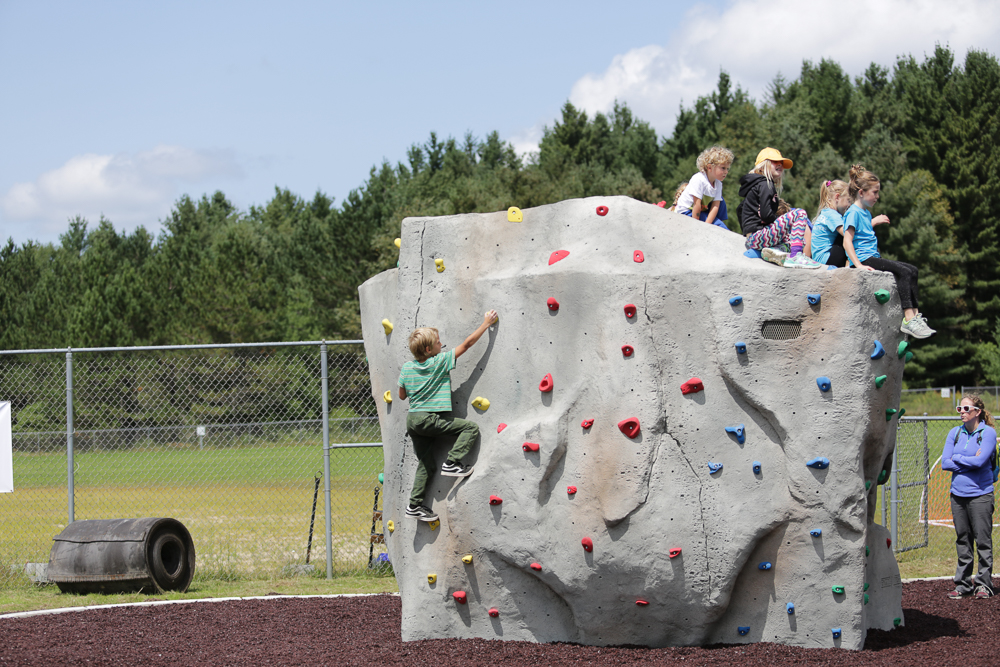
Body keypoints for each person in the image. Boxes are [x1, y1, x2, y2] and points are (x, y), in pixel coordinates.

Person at [397, 310, 498, 521]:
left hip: (413, 421)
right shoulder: (440, 361)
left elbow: (401, 395)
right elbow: (468, 344)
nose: (441, 345)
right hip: (428, 418)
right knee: (470, 428)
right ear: (428, 349)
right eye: (438, 342)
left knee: (426, 464)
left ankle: (414, 505)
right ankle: (453, 462)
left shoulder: (407, 368)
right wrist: (485, 323)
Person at [843, 164, 935, 338]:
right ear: (861, 192)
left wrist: (873, 222)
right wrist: (858, 265)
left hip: (871, 256)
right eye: (875, 192)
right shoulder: (853, 212)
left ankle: (915, 317)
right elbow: (847, 241)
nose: (878, 196)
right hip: (864, 259)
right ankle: (908, 319)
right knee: (903, 272)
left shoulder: (865, 213)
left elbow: (861, 233)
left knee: (912, 270)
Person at [941, 394, 998, 599]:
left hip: (981, 495)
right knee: (963, 540)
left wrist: (958, 459)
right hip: (958, 495)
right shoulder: (954, 433)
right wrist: (965, 459)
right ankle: (963, 584)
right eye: (959, 409)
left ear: (977, 412)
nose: (962, 413)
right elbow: (945, 463)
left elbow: (981, 462)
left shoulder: (988, 433)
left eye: (966, 409)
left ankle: (983, 584)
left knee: (983, 540)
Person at [738, 147, 823, 269]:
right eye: (774, 161)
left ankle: (774, 251)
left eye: (781, 163)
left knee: (796, 240)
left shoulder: (755, 185)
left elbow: (741, 210)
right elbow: (766, 215)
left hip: (752, 239)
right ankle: (796, 256)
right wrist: (782, 222)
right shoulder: (766, 184)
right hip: (759, 235)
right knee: (799, 213)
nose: (780, 165)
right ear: (762, 166)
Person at [674, 146, 733, 229]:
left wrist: (707, 225)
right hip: (687, 211)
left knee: (721, 202)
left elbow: (715, 206)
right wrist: (697, 226)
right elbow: (696, 204)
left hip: (702, 211)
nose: (726, 172)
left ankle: (717, 222)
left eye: (727, 169)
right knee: (720, 226)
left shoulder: (718, 184)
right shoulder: (699, 179)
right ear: (709, 167)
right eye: (723, 168)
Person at [810, 180, 853, 268]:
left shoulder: (826, 213)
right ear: (837, 197)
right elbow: (847, 234)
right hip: (827, 259)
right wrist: (871, 223)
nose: (850, 205)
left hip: (821, 259)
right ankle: (850, 264)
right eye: (848, 200)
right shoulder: (832, 215)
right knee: (848, 234)